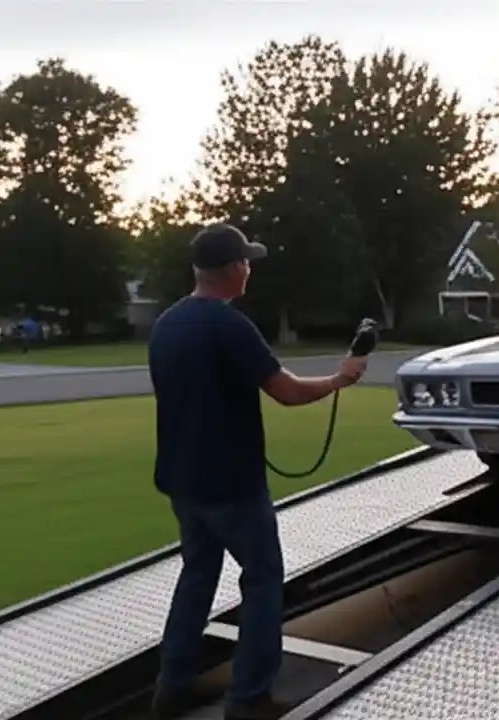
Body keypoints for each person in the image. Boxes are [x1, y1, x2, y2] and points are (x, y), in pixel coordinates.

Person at [147, 223, 367, 720]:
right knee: (263, 578)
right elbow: (285, 391)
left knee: (198, 574)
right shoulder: (228, 325)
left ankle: (172, 687)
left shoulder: (167, 324)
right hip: (231, 482)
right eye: (244, 261)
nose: (249, 269)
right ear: (229, 269)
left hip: (183, 480)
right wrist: (339, 378)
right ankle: (249, 699)